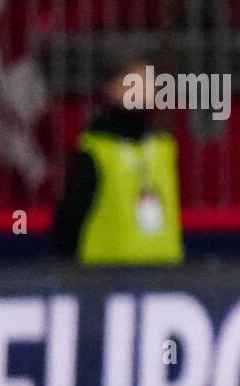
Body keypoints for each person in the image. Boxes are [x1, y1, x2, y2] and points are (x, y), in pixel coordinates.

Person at [52, 57, 183, 265]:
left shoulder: (163, 145)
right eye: (134, 83)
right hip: (107, 276)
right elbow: (68, 221)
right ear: (112, 89)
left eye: (148, 84)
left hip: (162, 273)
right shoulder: (94, 149)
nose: (143, 91)